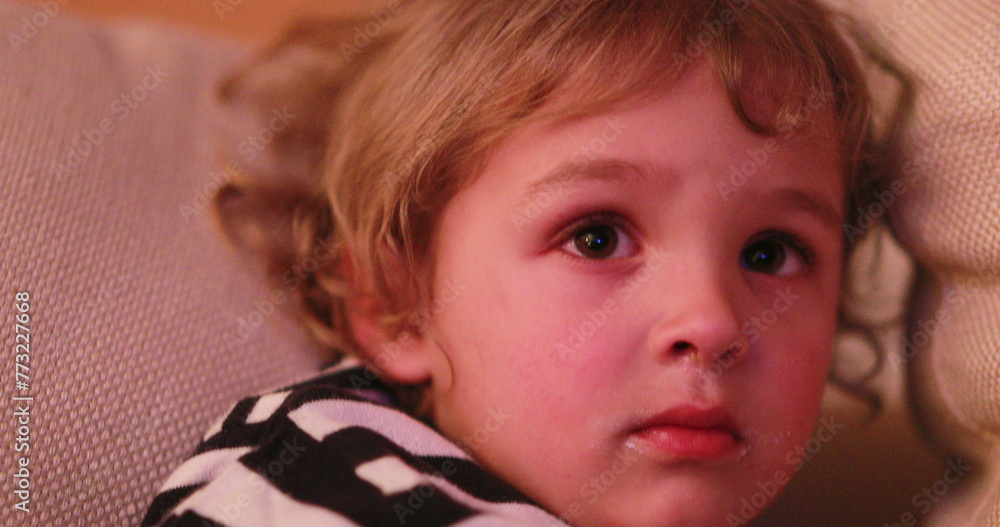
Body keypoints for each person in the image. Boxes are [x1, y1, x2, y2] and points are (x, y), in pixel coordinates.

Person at [143, 0, 881, 525]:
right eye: (597, 237)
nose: (714, 320)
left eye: (769, 252)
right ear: (396, 306)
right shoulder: (323, 470)